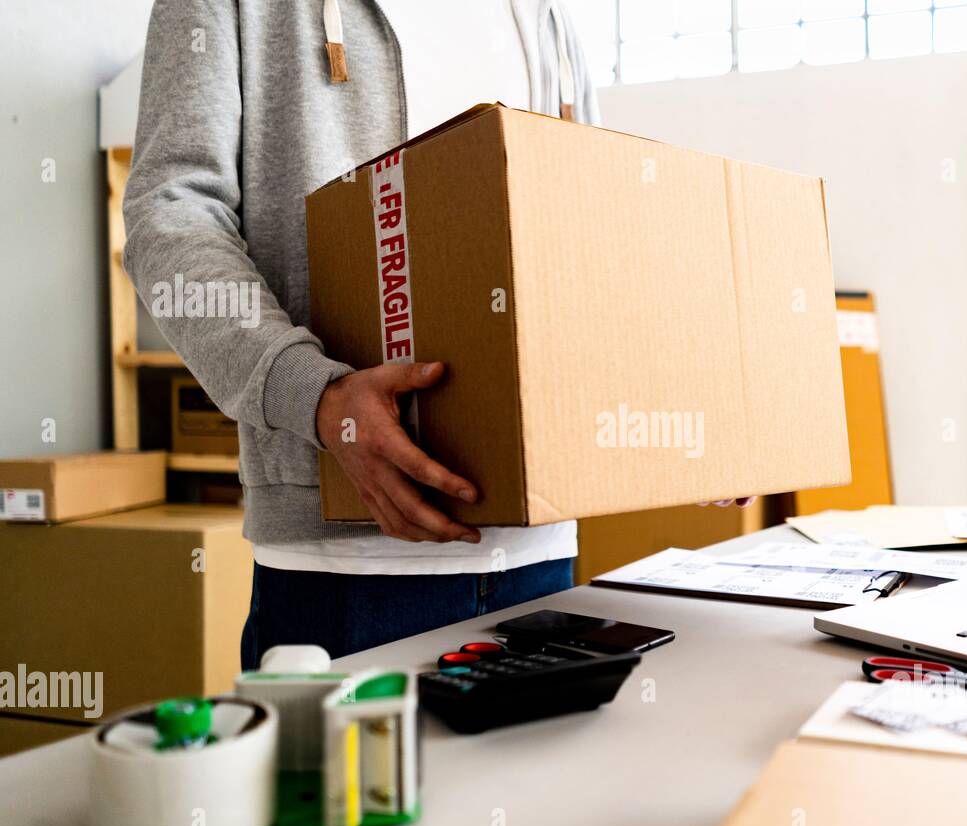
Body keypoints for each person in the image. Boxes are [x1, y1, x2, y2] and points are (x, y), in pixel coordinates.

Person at [124, 0, 747, 668]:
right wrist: (318, 396)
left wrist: (673, 409)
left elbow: (584, 231)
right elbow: (169, 217)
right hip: (342, 572)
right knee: (357, 780)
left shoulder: (541, 16)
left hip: (540, 557)